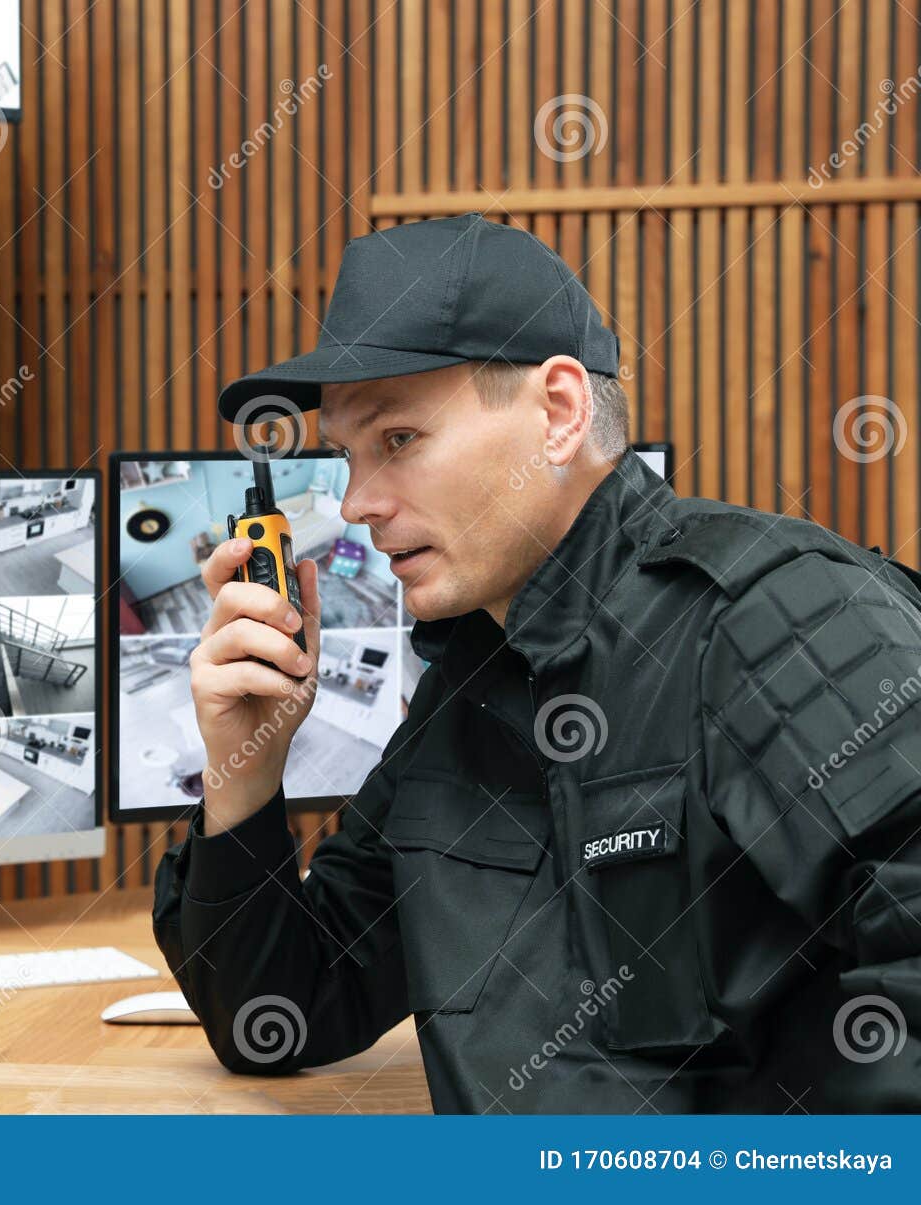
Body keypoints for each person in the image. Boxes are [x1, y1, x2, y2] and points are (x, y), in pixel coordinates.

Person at [151, 213, 921, 1112]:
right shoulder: (465, 690)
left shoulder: (779, 615)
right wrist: (246, 766)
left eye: (397, 440)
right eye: (347, 457)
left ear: (559, 412)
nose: (357, 502)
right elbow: (284, 1014)